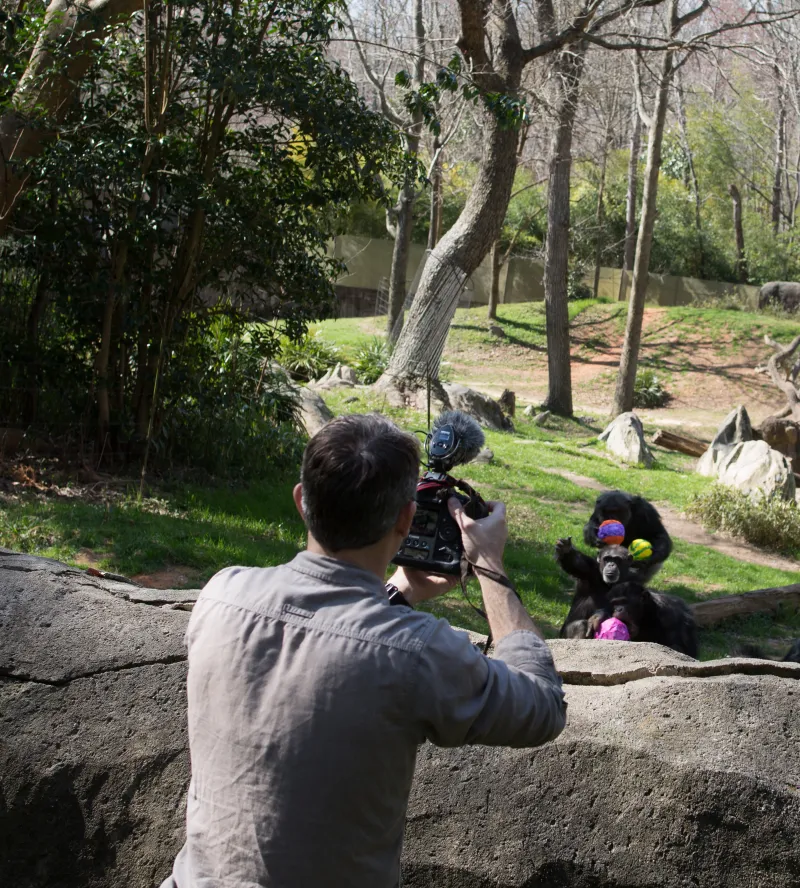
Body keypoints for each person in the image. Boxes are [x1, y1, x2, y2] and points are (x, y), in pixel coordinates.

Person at [161, 413, 566, 888]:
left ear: (300, 502)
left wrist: (396, 592)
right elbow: (542, 705)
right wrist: (490, 567)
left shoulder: (219, 595)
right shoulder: (419, 652)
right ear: (405, 517)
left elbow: (327, 644)